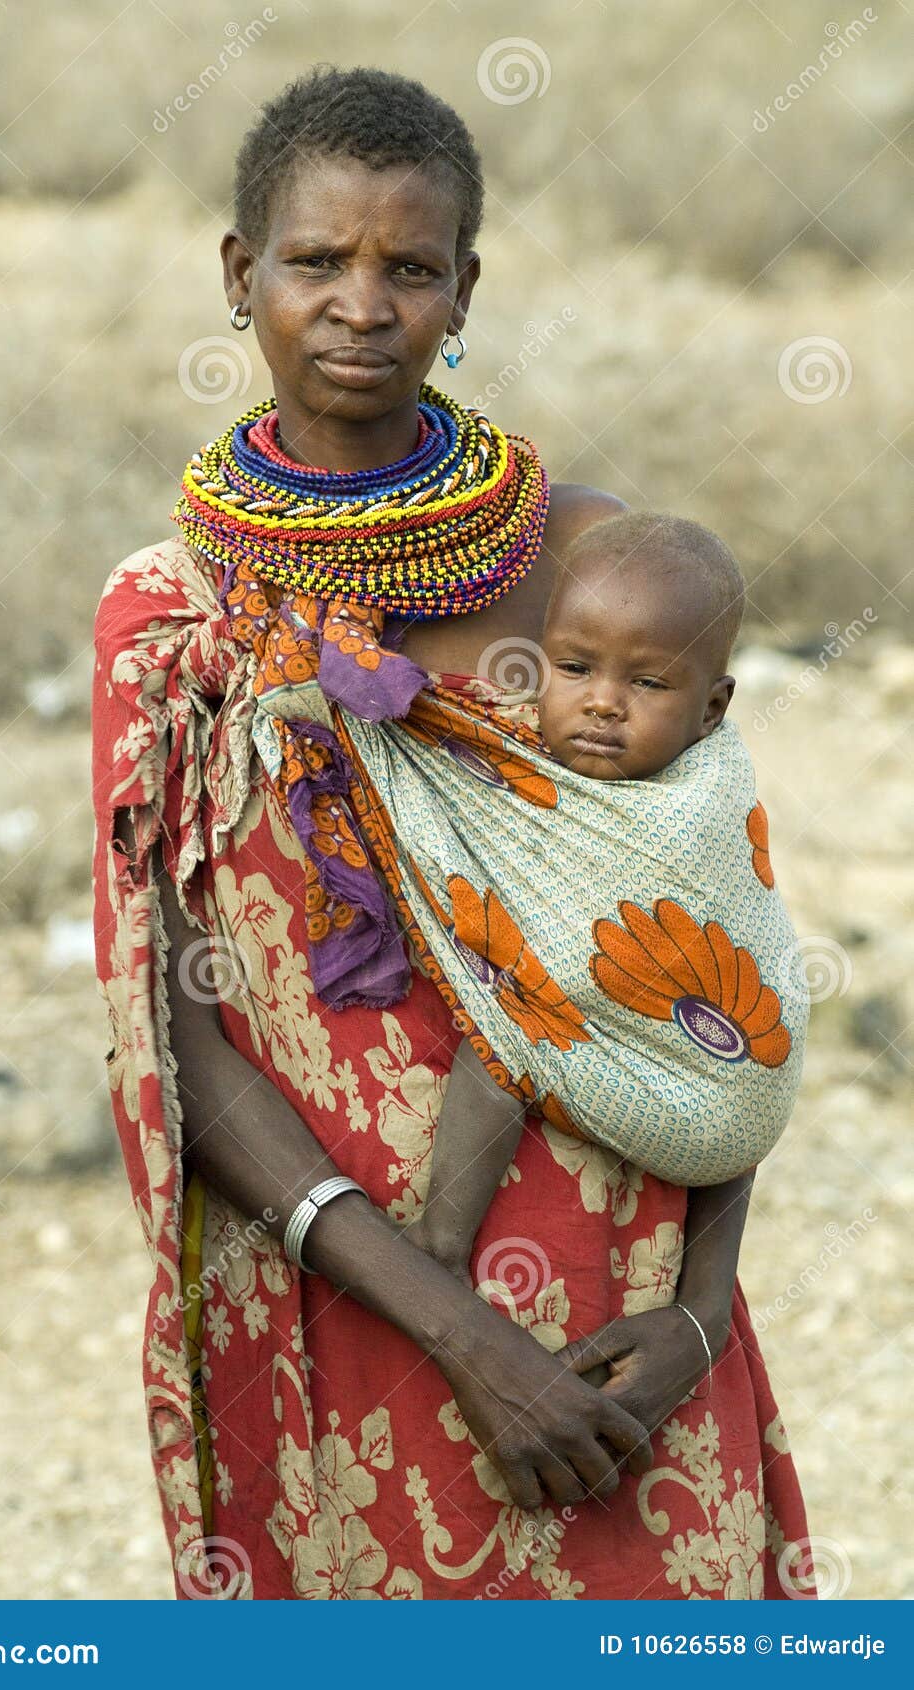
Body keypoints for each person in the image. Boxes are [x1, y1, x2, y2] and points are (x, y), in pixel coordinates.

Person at [91, 64, 816, 1600]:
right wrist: (450, 1319)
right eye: (313, 260)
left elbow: (723, 957)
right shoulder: (167, 621)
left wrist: (695, 1309)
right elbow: (168, 1019)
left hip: (622, 1327)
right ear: (239, 276)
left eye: (408, 267)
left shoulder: (593, 569)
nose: (361, 303)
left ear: (462, 289)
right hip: (337, 1283)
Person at [407, 510, 808, 1286]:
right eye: (574, 668)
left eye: (647, 682)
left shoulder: (701, 800)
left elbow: (588, 948)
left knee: (510, 1028)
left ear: (713, 711)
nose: (602, 702)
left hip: (717, 1114)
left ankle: (438, 1242)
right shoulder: (516, 747)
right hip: (679, 1099)